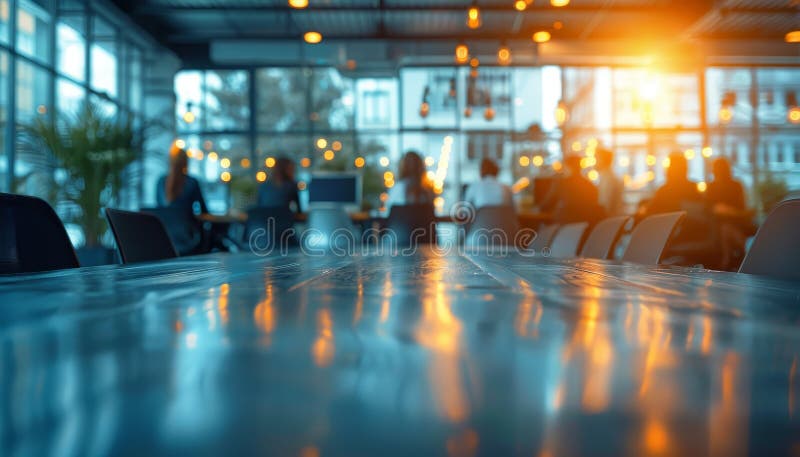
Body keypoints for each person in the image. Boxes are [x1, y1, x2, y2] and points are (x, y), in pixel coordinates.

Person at [706, 157, 753, 270]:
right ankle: (746, 255)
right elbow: (707, 208)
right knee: (725, 228)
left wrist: (729, 211)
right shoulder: (712, 187)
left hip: (735, 221)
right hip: (717, 223)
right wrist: (717, 209)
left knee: (726, 229)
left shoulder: (735, 186)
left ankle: (727, 260)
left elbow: (742, 209)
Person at [540, 155, 601, 224]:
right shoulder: (590, 185)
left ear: (567, 167)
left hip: (564, 225)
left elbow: (545, 206)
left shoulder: (560, 183)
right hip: (584, 227)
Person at [157, 144, 208, 214]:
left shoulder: (161, 181)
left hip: (165, 224)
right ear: (186, 162)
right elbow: (204, 210)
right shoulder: (192, 182)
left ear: (170, 162)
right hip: (187, 224)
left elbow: (158, 208)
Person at [595, 148, 624, 216]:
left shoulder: (609, 180)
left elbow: (606, 207)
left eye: (596, 159)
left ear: (602, 160)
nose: (594, 162)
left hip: (607, 221)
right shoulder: (609, 178)